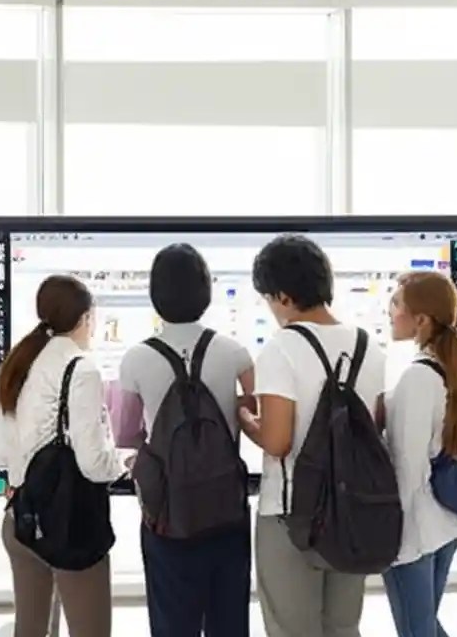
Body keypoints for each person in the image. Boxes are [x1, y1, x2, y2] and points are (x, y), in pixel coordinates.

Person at [238, 234, 387, 637]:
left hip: (292, 513)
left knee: (292, 629)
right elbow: (373, 428)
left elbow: (278, 442)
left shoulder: (282, 348)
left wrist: (246, 419)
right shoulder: (369, 346)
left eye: (268, 299)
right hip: (353, 508)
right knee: (343, 626)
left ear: (283, 296)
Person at [115, 243, 256, 636]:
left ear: (155, 295)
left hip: (167, 512)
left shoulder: (136, 358)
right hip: (226, 507)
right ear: (205, 291)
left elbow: (126, 433)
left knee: (172, 621)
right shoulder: (234, 352)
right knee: (229, 621)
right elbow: (255, 408)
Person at [0, 274, 126, 637]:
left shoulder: (15, 363)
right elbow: (93, 464)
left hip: (21, 520)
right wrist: (124, 462)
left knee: (30, 631)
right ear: (86, 318)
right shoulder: (81, 368)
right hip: (69, 526)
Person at [382, 271, 457, 637]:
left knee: (416, 630)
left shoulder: (418, 376)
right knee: (425, 626)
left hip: (416, 529)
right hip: (449, 517)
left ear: (421, 319)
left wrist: (400, 544)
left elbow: (408, 466)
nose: (389, 311)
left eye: (396, 304)